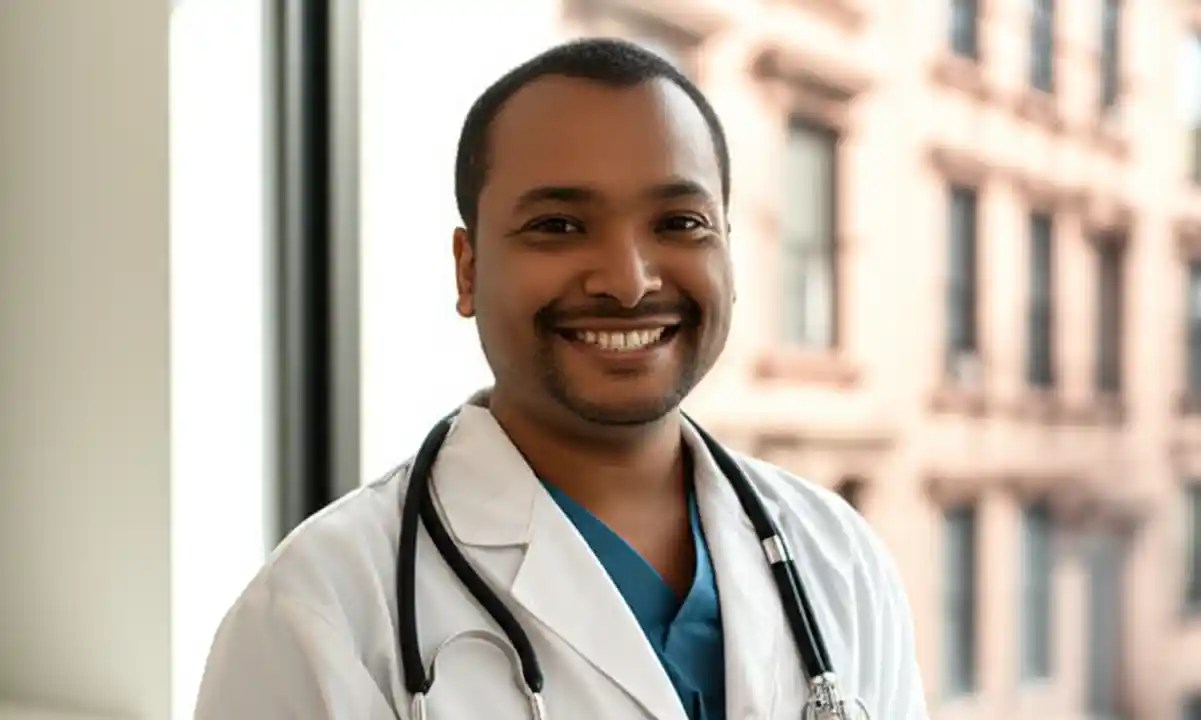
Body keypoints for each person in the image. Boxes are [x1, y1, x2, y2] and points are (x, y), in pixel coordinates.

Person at [195, 38, 928, 719]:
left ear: (729, 255)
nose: (629, 282)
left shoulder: (839, 561)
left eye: (679, 222)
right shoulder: (320, 610)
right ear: (469, 269)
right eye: (559, 226)